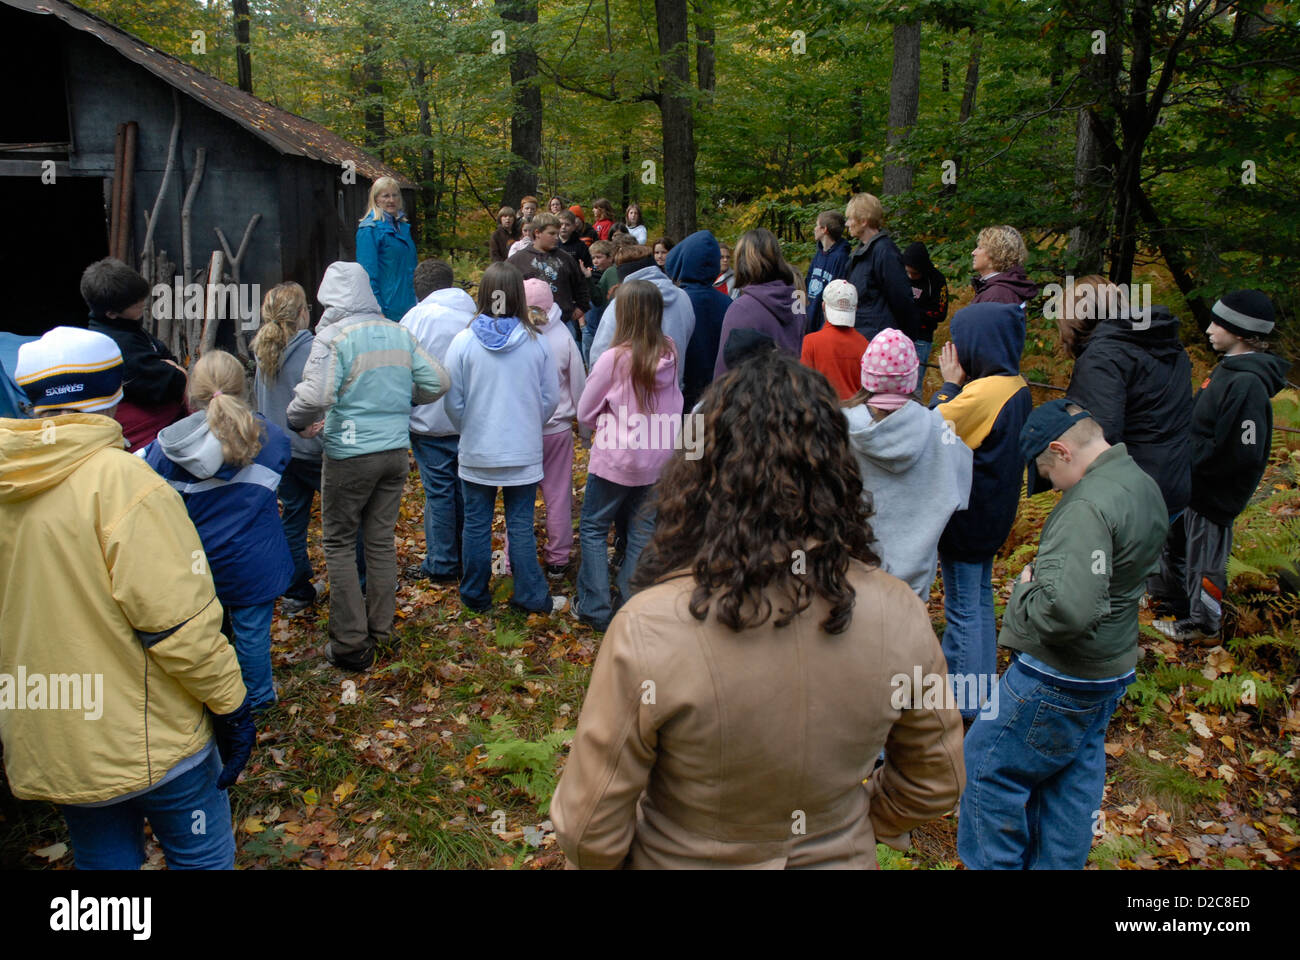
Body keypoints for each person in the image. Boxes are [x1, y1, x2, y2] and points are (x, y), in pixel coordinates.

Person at [551, 350, 965, 868]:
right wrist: (851, 827)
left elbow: (588, 829)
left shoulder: (650, 626)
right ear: (838, 470)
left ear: (701, 472)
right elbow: (936, 779)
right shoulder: (898, 613)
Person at [2, 327, 252, 869]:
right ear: (117, 394)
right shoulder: (128, 485)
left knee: (102, 862)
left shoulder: (8, 486)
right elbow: (177, 626)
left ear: (30, 400)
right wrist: (232, 706)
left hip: (57, 739)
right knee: (201, 854)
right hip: (153, 735)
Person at [959, 401, 1168, 870]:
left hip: (1057, 673)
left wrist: (1023, 593)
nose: (1049, 485)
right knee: (1070, 782)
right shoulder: (1141, 482)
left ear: (1062, 450)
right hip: (1108, 668)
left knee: (988, 766)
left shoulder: (1087, 508)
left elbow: (1067, 612)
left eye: (1046, 471)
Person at [286, 261, 449, 672]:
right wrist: (401, 400)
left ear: (329, 298)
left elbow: (316, 394)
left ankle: (349, 644)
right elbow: (437, 383)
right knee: (379, 541)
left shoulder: (333, 337)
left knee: (340, 543)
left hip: (349, 452)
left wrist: (296, 420)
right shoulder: (398, 332)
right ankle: (382, 631)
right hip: (394, 452)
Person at [143, 350, 293, 715]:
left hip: (197, 559)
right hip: (255, 560)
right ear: (244, 387)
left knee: (211, 630)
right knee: (253, 632)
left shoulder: (166, 450)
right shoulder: (271, 438)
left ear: (191, 394)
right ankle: (258, 699)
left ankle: (219, 694)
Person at [1151, 291, 1291, 642]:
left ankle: (1204, 625)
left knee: (1206, 561)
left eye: (1219, 324)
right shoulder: (1227, 369)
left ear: (1242, 332)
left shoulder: (1247, 384)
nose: (1210, 329)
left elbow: (1243, 451)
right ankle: (1173, 603)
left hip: (1213, 493)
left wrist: (1198, 465)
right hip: (1191, 484)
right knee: (1176, 546)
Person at [442, 262, 567, 615]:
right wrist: (528, 424)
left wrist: (470, 427)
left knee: (477, 526)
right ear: (517, 296)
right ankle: (530, 597)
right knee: (520, 527)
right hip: (522, 451)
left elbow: (453, 399)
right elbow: (550, 400)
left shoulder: (464, 342)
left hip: (478, 451)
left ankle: (474, 596)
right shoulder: (536, 343)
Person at [929, 301, 1032, 720]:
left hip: (967, 522)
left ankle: (966, 703)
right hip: (993, 515)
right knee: (979, 598)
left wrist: (949, 386)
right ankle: (981, 683)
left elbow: (928, 429)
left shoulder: (982, 394)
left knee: (962, 609)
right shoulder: (1016, 384)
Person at [574, 280, 682, 631]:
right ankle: (631, 601)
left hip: (616, 458)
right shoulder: (670, 351)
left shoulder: (614, 358)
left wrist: (606, 421)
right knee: (641, 530)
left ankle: (595, 607)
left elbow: (585, 411)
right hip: (657, 457)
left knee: (593, 527)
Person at [843, 330, 973, 601]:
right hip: (911, 592)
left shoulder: (836, 428)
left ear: (865, 374)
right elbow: (961, 492)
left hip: (848, 582)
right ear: (912, 378)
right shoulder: (941, 432)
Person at [1060, 275, 1192, 521]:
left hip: (1129, 496)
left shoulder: (1102, 357)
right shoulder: (1168, 344)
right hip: (1173, 483)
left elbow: (1097, 436)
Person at [251, 282, 327, 614]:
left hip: (280, 452)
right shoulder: (313, 349)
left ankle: (297, 592)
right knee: (346, 519)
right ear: (301, 314)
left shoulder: (264, 350)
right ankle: (362, 585)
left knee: (292, 521)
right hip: (315, 450)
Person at [402, 259, 478, 584]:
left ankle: (443, 563)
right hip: (468, 420)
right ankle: (464, 554)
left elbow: (402, 369)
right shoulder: (473, 316)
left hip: (428, 421)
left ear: (419, 291)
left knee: (439, 493)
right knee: (464, 489)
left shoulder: (413, 320)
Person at [82, 257, 188, 450]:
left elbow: (166, 358)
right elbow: (176, 382)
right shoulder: (116, 346)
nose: (143, 304)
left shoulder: (126, 328)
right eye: (136, 304)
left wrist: (169, 366)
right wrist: (175, 370)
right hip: (146, 441)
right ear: (111, 313)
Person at [523, 278, 587, 579]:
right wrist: (584, 430)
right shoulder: (564, 337)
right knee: (558, 494)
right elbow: (579, 384)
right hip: (558, 429)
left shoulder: (514, 336)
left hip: (522, 430)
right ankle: (558, 559)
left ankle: (511, 557)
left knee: (518, 495)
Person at [589, 244, 695, 392]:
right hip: (672, 391)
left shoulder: (619, 305)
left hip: (633, 398)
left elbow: (599, 358)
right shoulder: (682, 297)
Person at [714, 228, 803, 377]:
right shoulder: (797, 301)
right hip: (790, 392)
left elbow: (724, 373)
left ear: (742, 262)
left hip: (755, 396)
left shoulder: (742, 308)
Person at [664, 229, 732, 411]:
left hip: (680, 395)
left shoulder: (675, 302)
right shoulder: (728, 303)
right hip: (717, 396)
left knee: (688, 439)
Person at [843, 193, 920, 341]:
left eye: (850, 219)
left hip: (880, 342)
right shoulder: (858, 254)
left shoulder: (885, 252)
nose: (847, 224)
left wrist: (906, 340)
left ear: (864, 221)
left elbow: (902, 300)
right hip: (861, 338)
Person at [508, 212, 591, 343]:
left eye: (557, 234)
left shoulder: (566, 259)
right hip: (527, 326)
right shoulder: (517, 260)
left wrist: (581, 307)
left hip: (562, 323)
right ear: (537, 232)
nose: (556, 238)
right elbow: (506, 290)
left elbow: (581, 285)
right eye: (551, 234)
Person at [355, 176, 417, 320]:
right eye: (386, 196)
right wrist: (378, 310)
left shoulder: (403, 228)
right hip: (387, 309)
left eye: (395, 195)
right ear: (376, 199)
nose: (391, 200)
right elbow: (367, 275)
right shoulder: (369, 229)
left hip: (410, 307)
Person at [800, 279, 869, 400]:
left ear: (823, 306)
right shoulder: (865, 344)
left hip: (823, 414)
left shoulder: (810, 343)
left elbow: (803, 387)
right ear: (856, 308)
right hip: (859, 413)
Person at [901, 241, 948, 369]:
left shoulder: (936, 280)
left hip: (921, 337)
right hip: (897, 334)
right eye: (908, 272)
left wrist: (913, 312)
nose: (911, 276)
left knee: (915, 383)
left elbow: (941, 313)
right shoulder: (898, 275)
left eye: (915, 273)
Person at [805, 210, 851, 333]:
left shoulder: (841, 258)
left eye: (816, 225)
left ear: (824, 229)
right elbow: (806, 285)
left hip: (825, 326)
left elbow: (837, 297)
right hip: (809, 319)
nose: (814, 229)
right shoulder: (819, 255)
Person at [970, 225, 1038, 307]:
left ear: (996, 253)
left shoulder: (997, 295)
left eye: (980, 248)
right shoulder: (1003, 288)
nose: (973, 252)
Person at [583, 239, 616, 366]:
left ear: (610, 257)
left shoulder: (611, 273)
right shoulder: (595, 273)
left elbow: (598, 298)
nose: (595, 261)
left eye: (599, 257)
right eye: (593, 258)